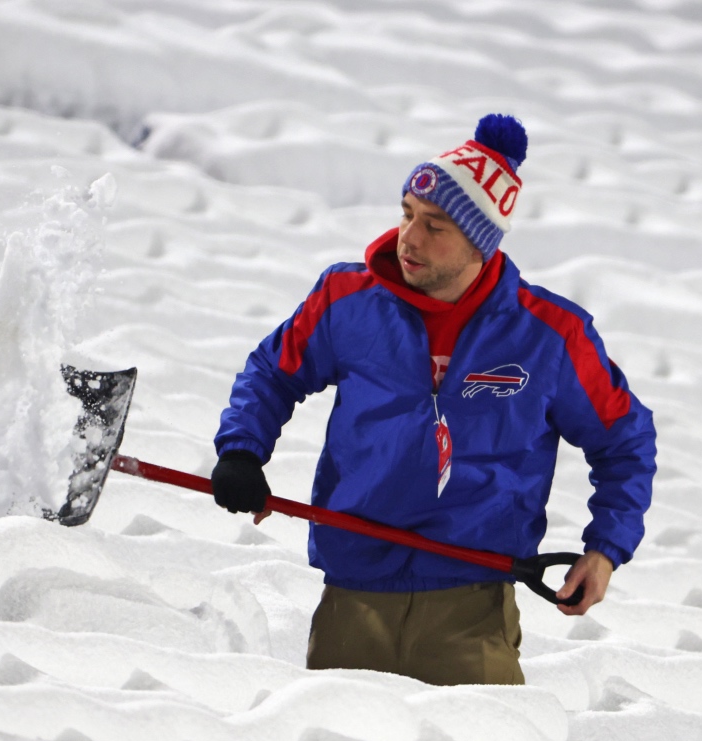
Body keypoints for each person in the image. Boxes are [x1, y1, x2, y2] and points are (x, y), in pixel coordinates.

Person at [211, 114, 657, 686]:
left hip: (472, 606)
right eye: (407, 214)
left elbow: (623, 439)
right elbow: (273, 373)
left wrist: (606, 548)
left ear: (479, 242)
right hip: (354, 594)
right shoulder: (347, 300)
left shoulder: (550, 336)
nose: (410, 238)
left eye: (435, 225)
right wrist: (242, 451)